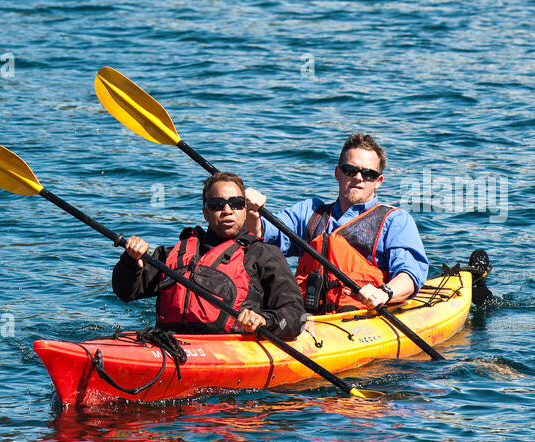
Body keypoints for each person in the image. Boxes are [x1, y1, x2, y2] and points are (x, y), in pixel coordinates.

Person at [245, 133, 428, 313]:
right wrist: (252, 213)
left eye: (369, 174)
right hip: (306, 313)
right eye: (350, 170)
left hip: (362, 315)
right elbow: (260, 236)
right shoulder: (310, 212)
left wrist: (385, 293)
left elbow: (410, 275)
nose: (358, 178)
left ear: (378, 181)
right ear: (337, 173)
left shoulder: (395, 221)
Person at [113, 171, 304, 338]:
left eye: (236, 203)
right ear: (205, 212)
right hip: (167, 342)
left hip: (228, 349)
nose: (227, 211)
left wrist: (265, 320)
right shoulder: (174, 254)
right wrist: (130, 260)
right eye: (217, 205)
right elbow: (126, 292)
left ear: (245, 210)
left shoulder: (264, 255)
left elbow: (296, 317)